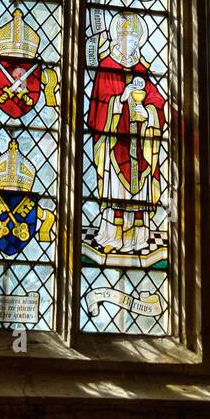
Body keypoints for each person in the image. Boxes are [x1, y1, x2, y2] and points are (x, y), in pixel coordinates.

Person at [86, 13, 166, 252]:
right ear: (116, 39)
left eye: (135, 40)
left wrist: (149, 112)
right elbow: (98, 106)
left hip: (141, 143)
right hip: (115, 143)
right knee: (115, 190)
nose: (131, 44)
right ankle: (113, 237)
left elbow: (157, 100)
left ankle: (138, 239)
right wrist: (120, 99)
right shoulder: (106, 66)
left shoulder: (142, 69)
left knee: (139, 192)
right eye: (127, 39)